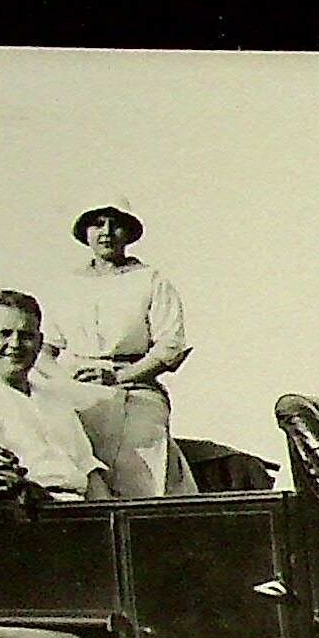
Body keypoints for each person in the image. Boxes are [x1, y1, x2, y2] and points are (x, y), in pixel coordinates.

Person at [37, 197, 198, 498]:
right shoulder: (66, 285)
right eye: (98, 224)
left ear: (129, 233)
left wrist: (119, 378)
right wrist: (59, 381)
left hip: (134, 386)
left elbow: (170, 347)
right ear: (85, 231)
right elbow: (45, 347)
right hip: (74, 385)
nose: (106, 231)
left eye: (116, 224)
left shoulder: (150, 280)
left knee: (142, 446)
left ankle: (146, 519)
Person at [0, 288, 110, 500]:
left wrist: (111, 513)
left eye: (27, 336)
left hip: (80, 510)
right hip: (30, 514)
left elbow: (89, 472)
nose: (16, 344)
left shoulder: (54, 399)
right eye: (5, 333)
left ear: (40, 342)